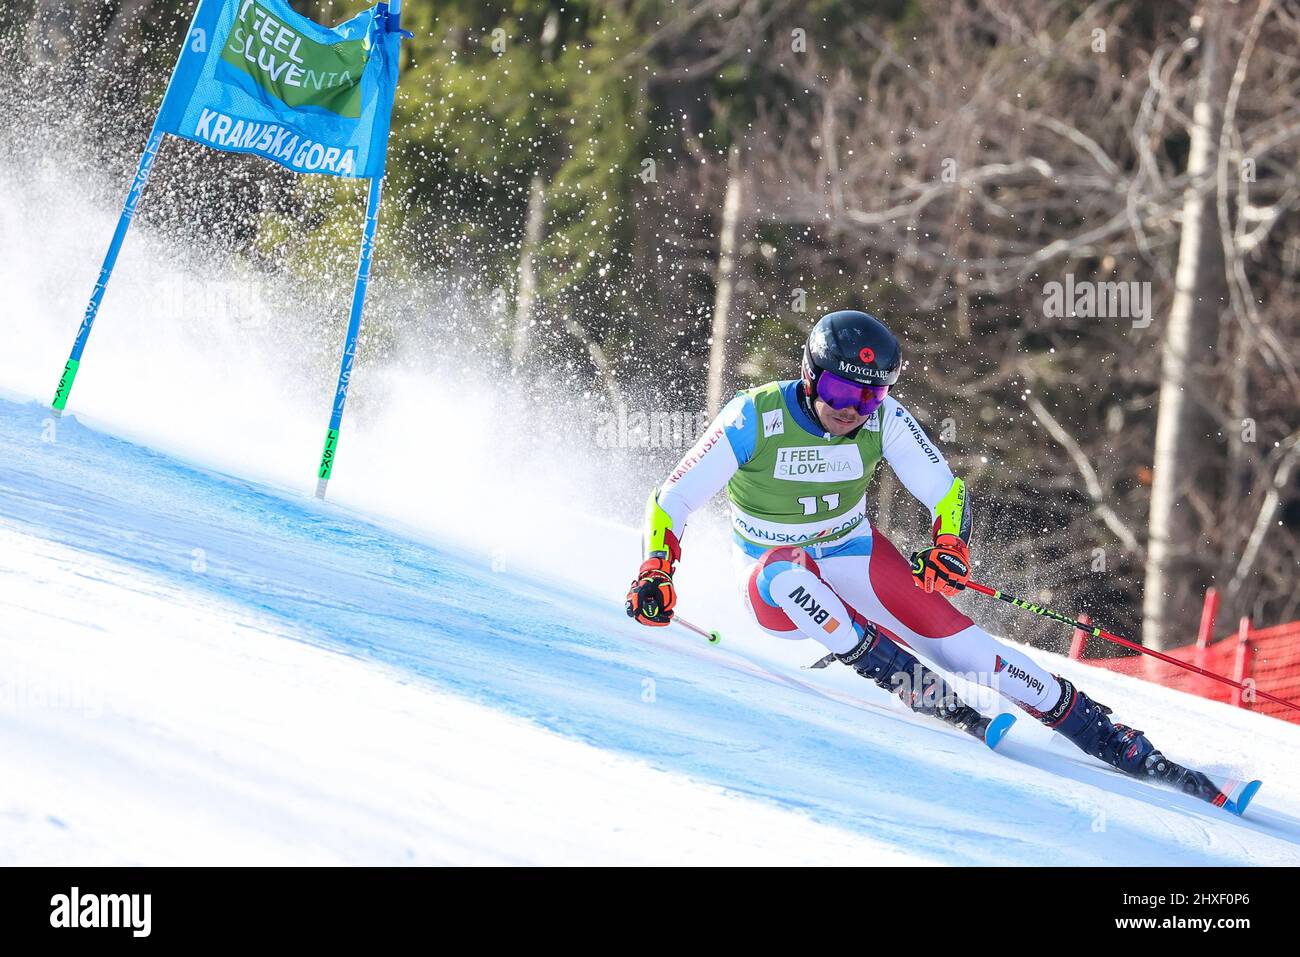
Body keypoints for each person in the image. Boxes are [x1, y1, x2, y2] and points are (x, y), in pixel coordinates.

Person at [626, 309, 1220, 797]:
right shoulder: (755, 416)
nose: (850, 411)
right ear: (810, 376)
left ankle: (1111, 737)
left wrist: (949, 545)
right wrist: (657, 568)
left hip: (851, 551)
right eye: (838, 390)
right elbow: (671, 499)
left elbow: (947, 491)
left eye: (868, 397)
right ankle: (908, 681)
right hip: (771, 576)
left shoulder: (882, 419)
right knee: (786, 574)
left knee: (967, 650)